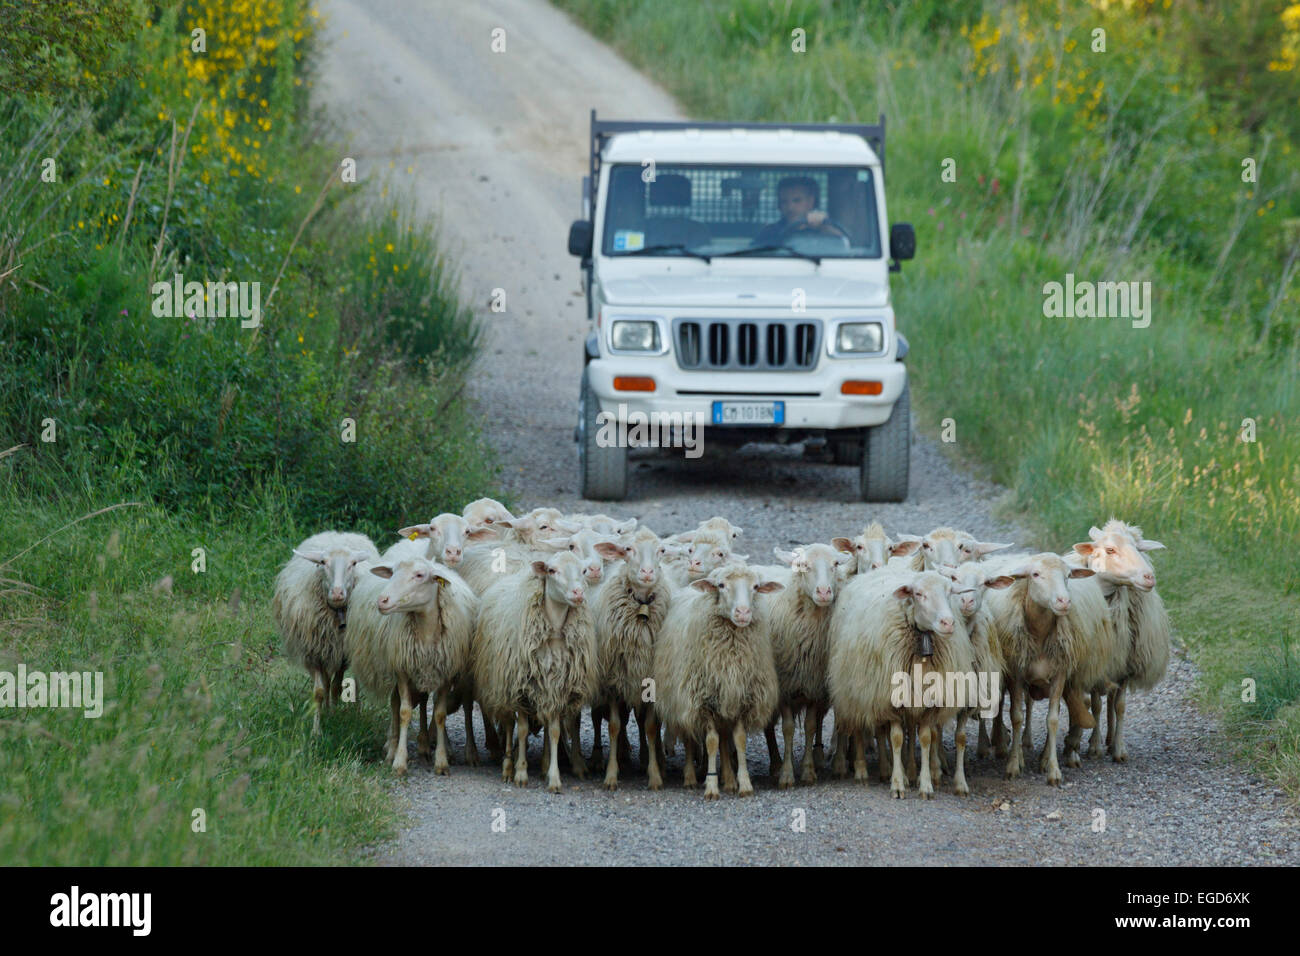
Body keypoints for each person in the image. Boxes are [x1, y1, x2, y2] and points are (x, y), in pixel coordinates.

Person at [751, 175, 846, 246]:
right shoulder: (770, 232)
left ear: (811, 201)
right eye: (784, 202)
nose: (790, 207)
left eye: (797, 201)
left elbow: (844, 247)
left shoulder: (825, 229)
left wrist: (825, 227)